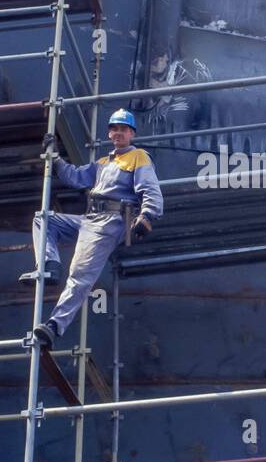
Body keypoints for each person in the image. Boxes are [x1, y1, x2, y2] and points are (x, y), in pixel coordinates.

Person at [21, 109, 163, 348]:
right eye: (115, 129)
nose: (118, 133)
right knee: (44, 219)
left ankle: (55, 326)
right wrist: (54, 158)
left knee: (79, 273)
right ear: (109, 133)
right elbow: (75, 178)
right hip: (91, 219)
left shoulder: (138, 157)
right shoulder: (104, 162)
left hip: (111, 222)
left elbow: (150, 189)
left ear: (132, 134)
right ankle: (50, 265)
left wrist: (147, 215)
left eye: (124, 129)